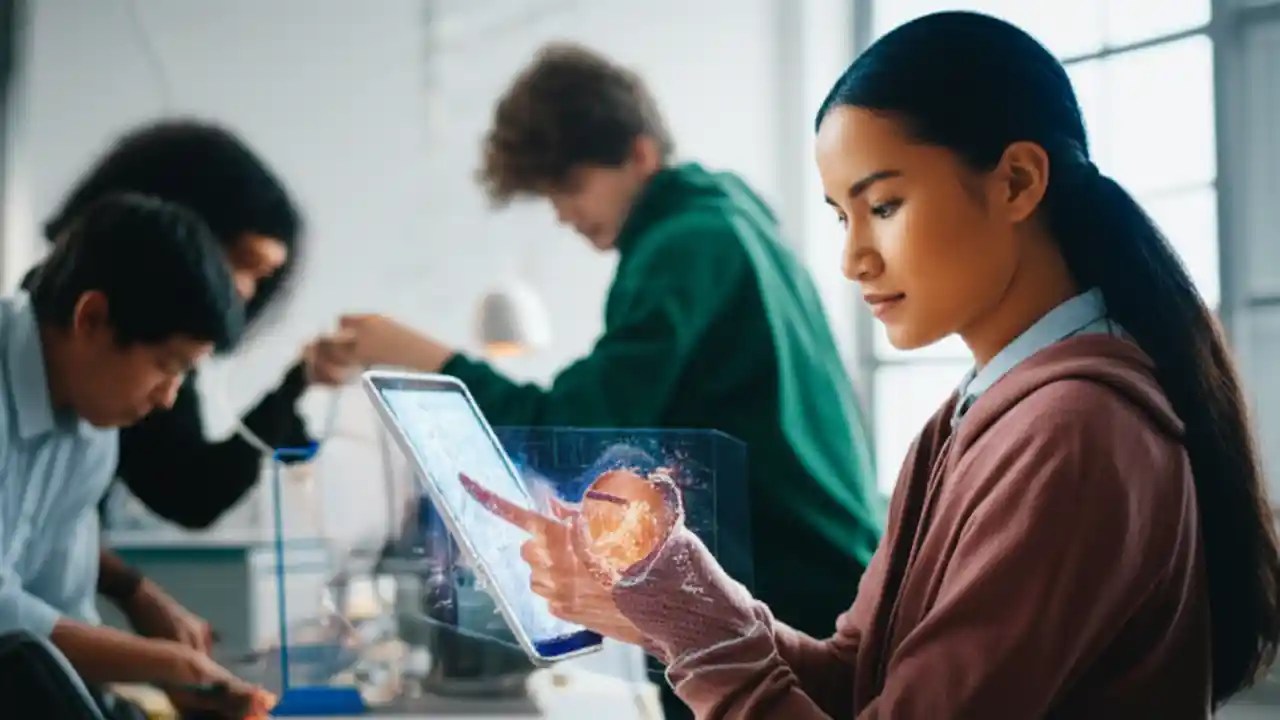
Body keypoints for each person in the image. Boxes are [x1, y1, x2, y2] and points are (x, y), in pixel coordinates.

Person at [483, 12, 1280, 718]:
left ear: (1017, 181)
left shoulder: (1071, 431)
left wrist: (699, 639)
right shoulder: (973, 412)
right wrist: (677, 601)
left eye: (885, 205)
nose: (855, 258)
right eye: (841, 216)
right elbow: (858, 676)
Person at [339, 42, 884, 712]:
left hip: (787, 588)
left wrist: (421, 355)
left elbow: (578, 424)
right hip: (825, 569)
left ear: (639, 154)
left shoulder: (686, 243)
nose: (564, 214)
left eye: (570, 188)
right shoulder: (731, 215)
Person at [24, 119, 356, 655]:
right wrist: (154, 661)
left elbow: (50, 529)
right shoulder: (96, 358)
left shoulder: (110, 378)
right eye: (245, 266)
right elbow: (189, 488)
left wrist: (136, 602)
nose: (247, 292)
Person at [2, 193, 272, 718]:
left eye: (184, 374)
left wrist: (158, 676)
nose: (168, 397)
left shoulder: (92, 424)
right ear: (92, 319)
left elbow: (61, 612)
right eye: (166, 365)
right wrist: (164, 665)